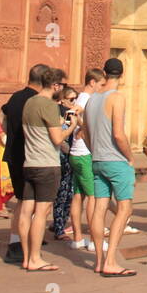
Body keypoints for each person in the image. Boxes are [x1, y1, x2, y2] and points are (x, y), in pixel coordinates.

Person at [83, 57, 137, 276]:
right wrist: (129, 156)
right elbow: (118, 133)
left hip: (97, 160)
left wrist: (95, 150)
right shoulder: (117, 98)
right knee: (124, 209)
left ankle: (98, 260)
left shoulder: (92, 99)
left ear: (104, 74)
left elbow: (84, 133)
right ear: (121, 76)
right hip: (115, 160)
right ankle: (111, 260)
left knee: (99, 209)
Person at [18, 66, 74, 272]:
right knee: (41, 213)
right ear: (56, 85)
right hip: (47, 164)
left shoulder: (29, 103)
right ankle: (35, 258)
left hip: (29, 162)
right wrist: (71, 126)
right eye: (63, 86)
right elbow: (58, 139)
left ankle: (26, 257)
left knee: (26, 211)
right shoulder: (48, 105)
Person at [0, 64, 48, 264]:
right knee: (27, 202)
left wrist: (6, 135)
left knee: (26, 201)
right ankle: (16, 245)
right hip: (28, 157)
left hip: (14, 154)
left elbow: (1, 115)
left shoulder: (15, 97)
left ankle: (22, 239)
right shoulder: (35, 101)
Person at [68, 69, 104, 250]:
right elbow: (82, 122)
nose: (101, 88)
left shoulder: (79, 99)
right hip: (85, 153)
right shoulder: (87, 100)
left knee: (78, 196)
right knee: (93, 198)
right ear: (92, 82)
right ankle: (92, 240)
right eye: (100, 84)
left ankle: (78, 238)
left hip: (75, 153)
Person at [50, 85, 79, 241]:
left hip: (71, 156)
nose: (73, 102)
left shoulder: (73, 113)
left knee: (69, 192)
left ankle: (59, 222)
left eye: (75, 98)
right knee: (63, 192)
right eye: (71, 99)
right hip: (62, 156)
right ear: (62, 100)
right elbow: (60, 138)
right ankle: (59, 227)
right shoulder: (58, 114)